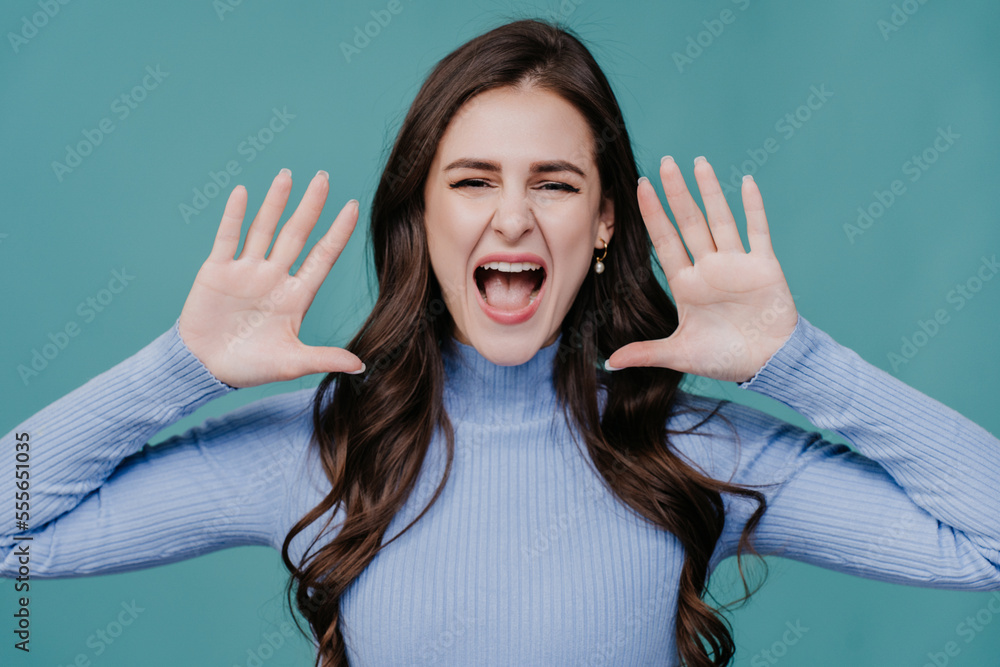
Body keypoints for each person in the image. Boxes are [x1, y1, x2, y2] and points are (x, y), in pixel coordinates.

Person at [3, 18, 999, 667]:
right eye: (472, 181)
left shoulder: (685, 446)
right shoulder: (321, 446)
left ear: (603, 222)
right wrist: (179, 371)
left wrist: (800, 364)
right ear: (420, 217)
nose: (512, 219)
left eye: (555, 184)